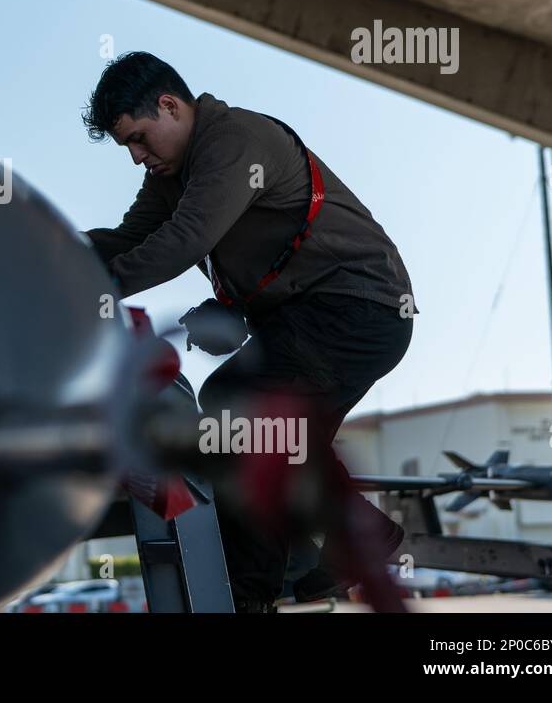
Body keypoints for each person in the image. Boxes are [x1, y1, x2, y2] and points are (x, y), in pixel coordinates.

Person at [82, 51, 415, 612]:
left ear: (170, 105)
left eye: (140, 138)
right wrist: (53, 253)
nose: (138, 157)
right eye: (128, 148)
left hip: (359, 308)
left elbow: (185, 239)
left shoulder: (233, 141)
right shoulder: (171, 175)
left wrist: (93, 291)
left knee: (233, 408)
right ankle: (339, 543)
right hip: (309, 321)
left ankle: (247, 593)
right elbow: (130, 239)